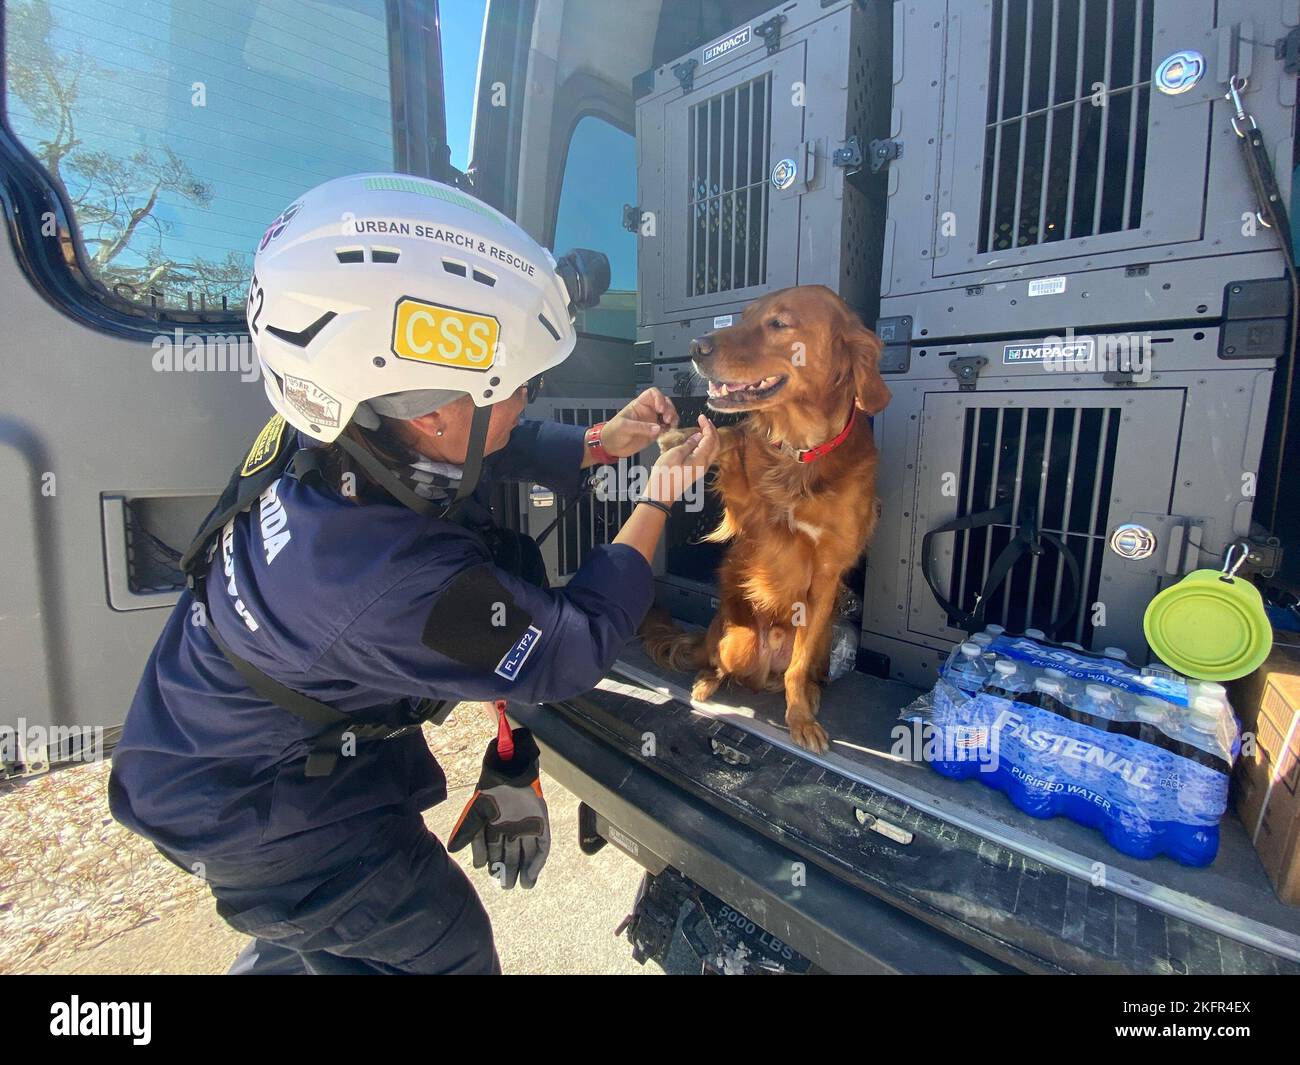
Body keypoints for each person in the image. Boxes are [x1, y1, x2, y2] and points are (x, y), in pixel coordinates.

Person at [107, 173, 718, 974]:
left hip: (202, 757)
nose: (529, 395)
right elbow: (573, 646)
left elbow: (474, 450)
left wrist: (600, 443)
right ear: (430, 413)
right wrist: (660, 495)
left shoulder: (333, 430)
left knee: (325, 944)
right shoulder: (386, 581)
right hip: (264, 817)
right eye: (512, 387)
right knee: (440, 948)